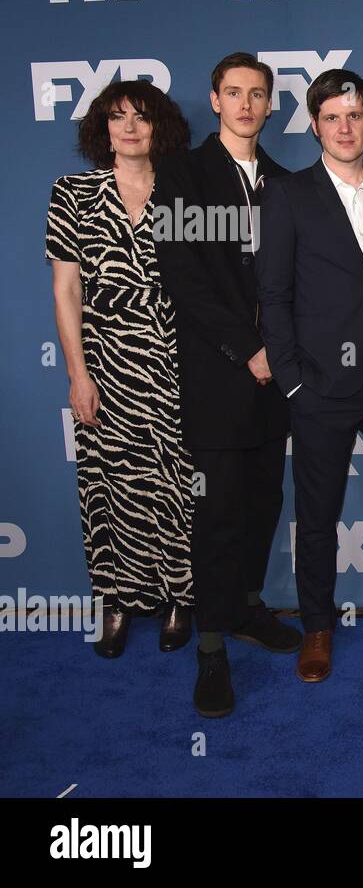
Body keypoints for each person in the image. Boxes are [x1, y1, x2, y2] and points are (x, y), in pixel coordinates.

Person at [256, 69, 363, 683]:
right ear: (315, 125)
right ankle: (317, 626)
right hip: (319, 386)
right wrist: (294, 381)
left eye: (354, 115)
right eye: (331, 117)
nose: (345, 127)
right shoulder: (288, 194)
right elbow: (272, 295)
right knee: (317, 514)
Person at [154, 52, 300, 718]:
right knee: (216, 513)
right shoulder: (182, 175)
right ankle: (210, 647)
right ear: (214, 100)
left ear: (271, 106)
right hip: (218, 375)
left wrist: (282, 351)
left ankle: (246, 609)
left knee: (264, 498)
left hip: (277, 379)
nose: (246, 104)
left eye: (258, 94)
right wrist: (249, 348)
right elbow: (184, 279)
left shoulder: (284, 180)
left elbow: (296, 277)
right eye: (234, 92)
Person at [46, 80, 194, 659]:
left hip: (176, 358)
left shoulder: (184, 194)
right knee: (107, 484)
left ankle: (181, 597)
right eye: (117, 117)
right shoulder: (73, 194)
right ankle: (114, 602)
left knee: (176, 482)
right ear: (101, 129)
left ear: (161, 127)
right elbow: (65, 292)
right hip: (105, 360)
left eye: (142, 117)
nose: (130, 127)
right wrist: (77, 375)